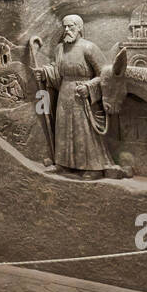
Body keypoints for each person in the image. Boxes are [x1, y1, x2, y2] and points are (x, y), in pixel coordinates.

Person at [32, 15, 118, 178]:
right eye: (64, 27)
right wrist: (44, 72)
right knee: (64, 129)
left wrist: (89, 87)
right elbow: (56, 71)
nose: (66, 30)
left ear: (79, 28)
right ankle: (63, 164)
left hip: (83, 95)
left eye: (70, 26)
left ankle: (93, 168)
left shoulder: (89, 48)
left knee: (84, 131)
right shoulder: (59, 49)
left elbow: (105, 75)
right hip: (65, 94)